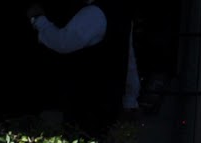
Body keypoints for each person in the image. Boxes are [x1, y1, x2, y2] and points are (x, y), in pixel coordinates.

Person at [25, 1, 135, 133]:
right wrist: (130, 99)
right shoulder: (119, 12)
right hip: (106, 103)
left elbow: (64, 42)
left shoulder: (94, 13)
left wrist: (38, 20)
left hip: (88, 106)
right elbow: (129, 60)